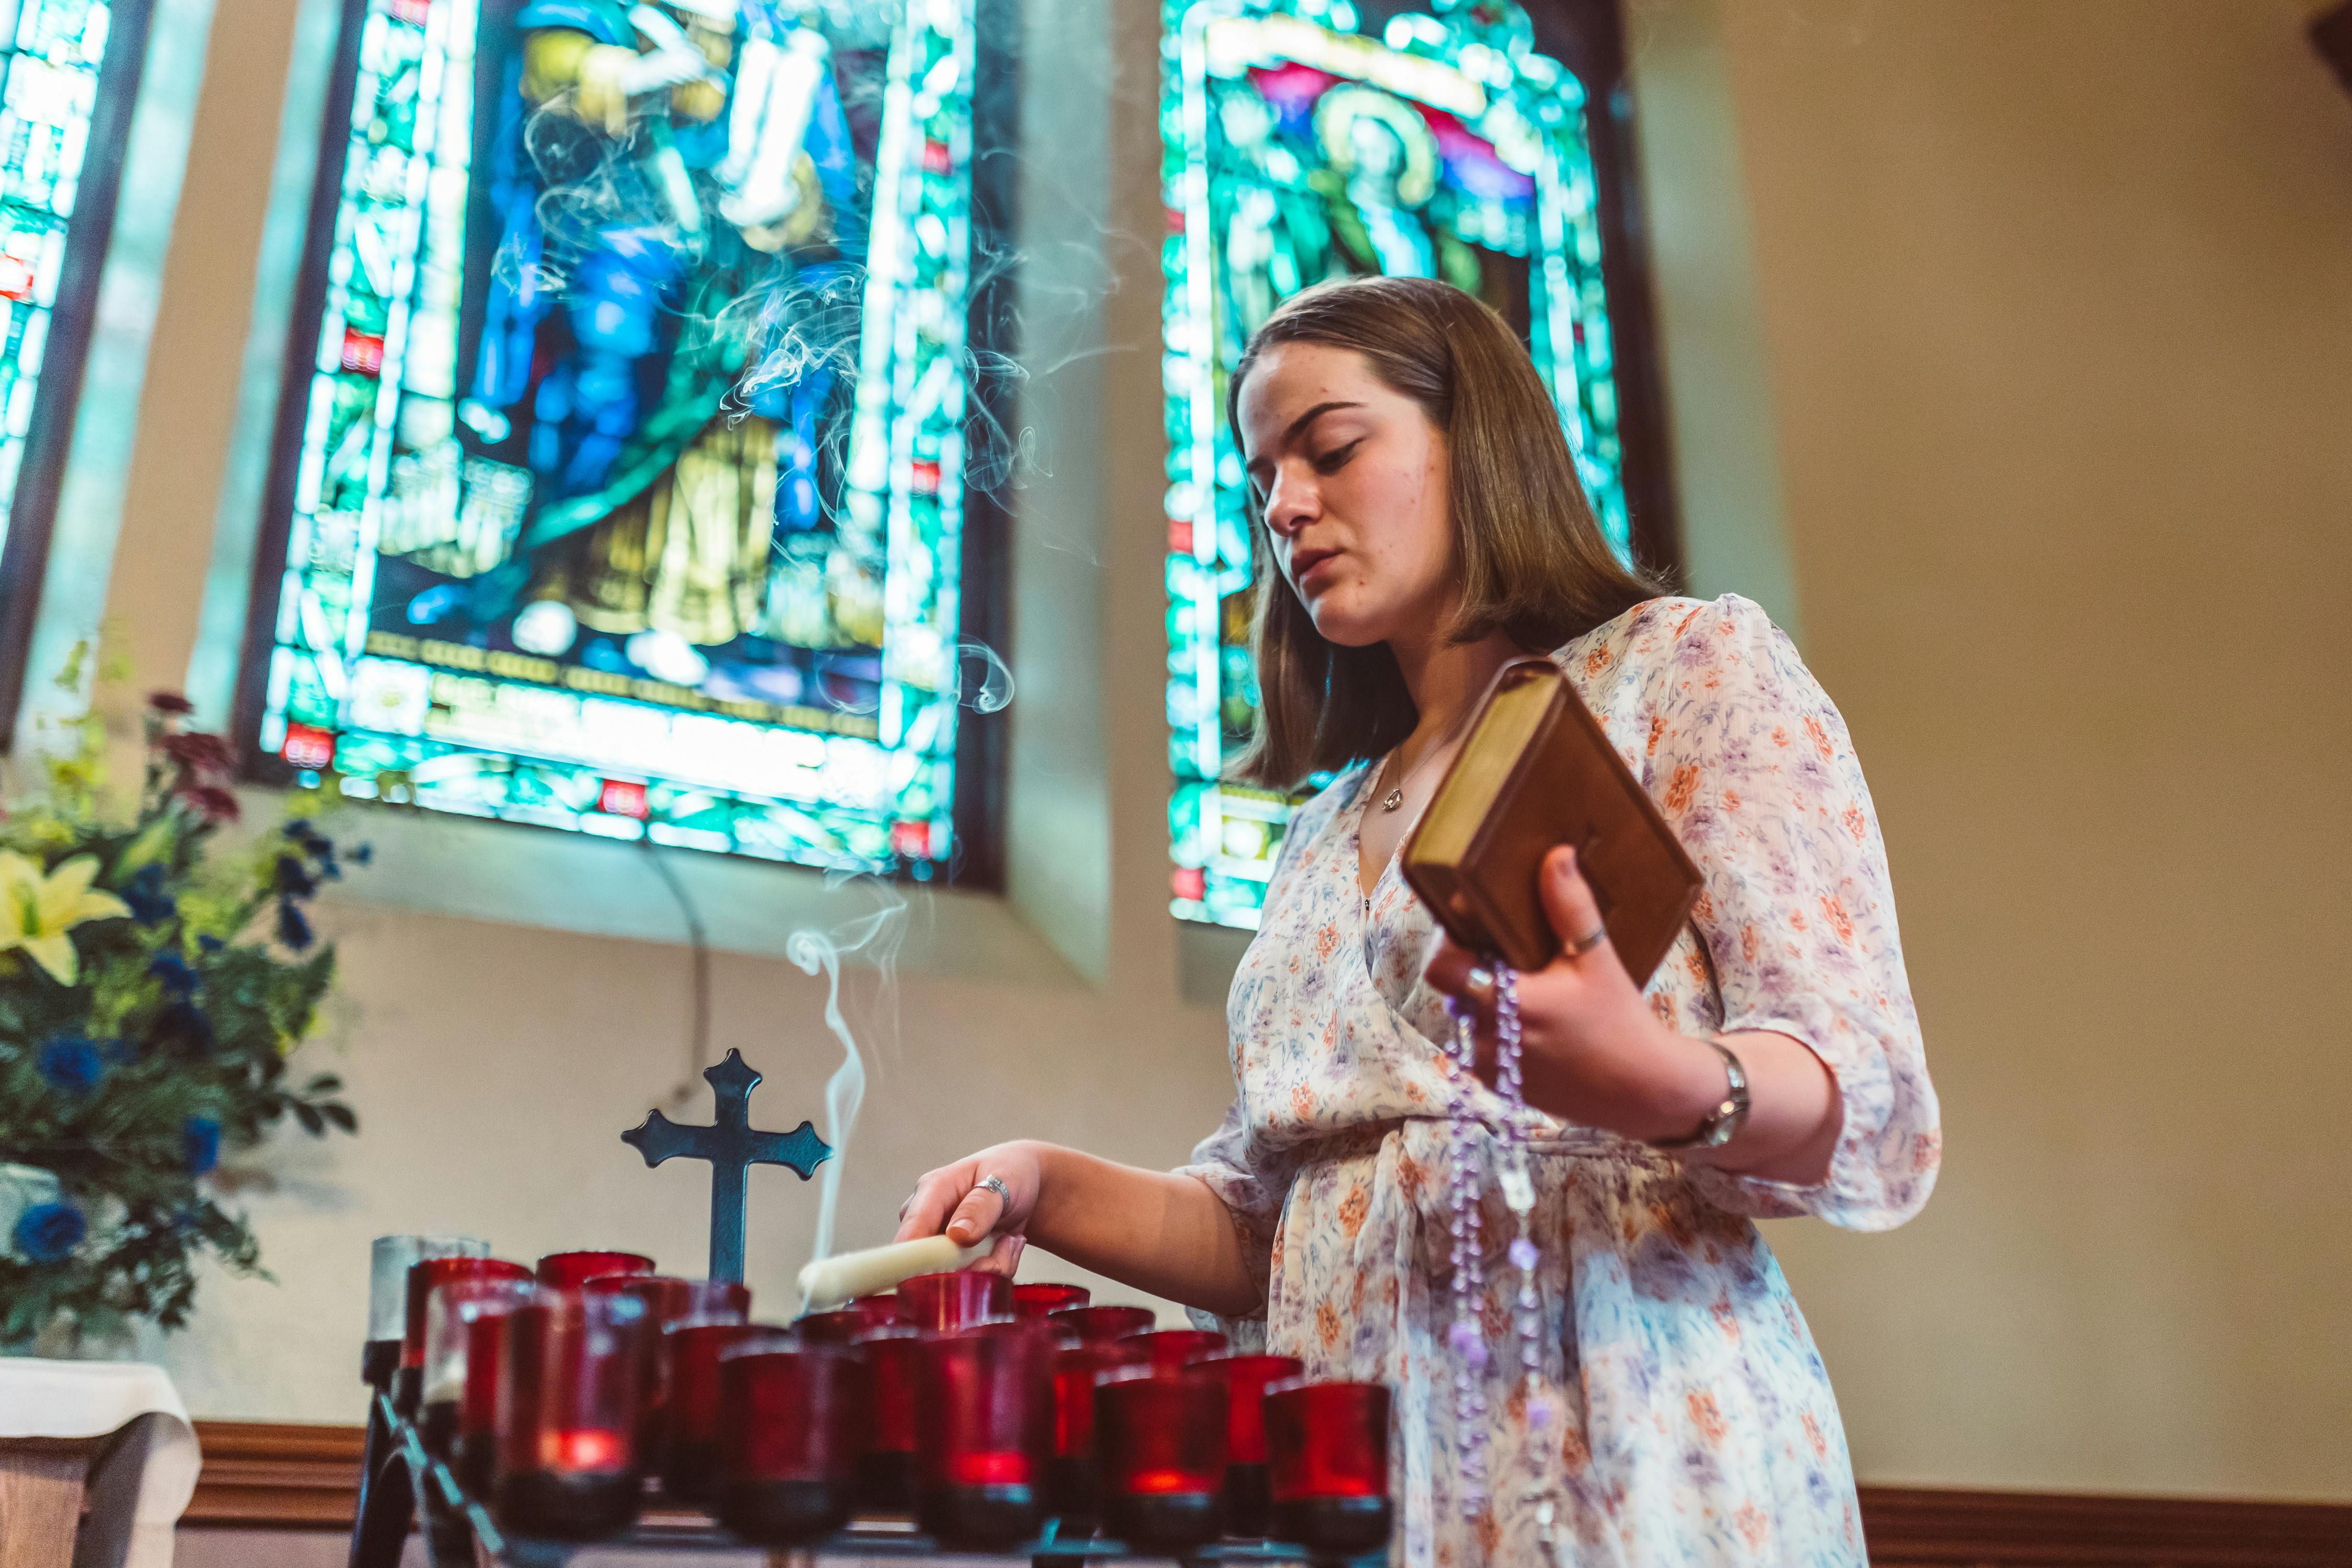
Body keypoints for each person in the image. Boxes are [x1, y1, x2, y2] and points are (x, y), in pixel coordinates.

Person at [895, 275, 1940, 1566]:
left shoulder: (1681, 675)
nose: (1283, 507)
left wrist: (1660, 1079)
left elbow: (1864, 1090)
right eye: (1262, 477)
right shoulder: (1321, 833)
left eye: (1330, 450)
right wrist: (1046, 1182)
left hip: (1622, 1433)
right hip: (1346, 1466)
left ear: (1477, 440)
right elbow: (1277, 1224)